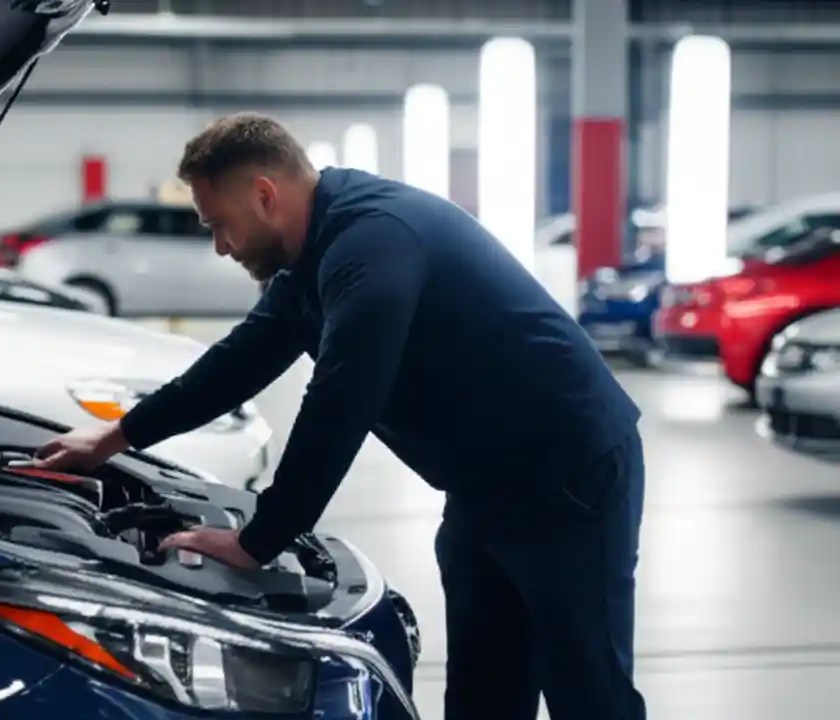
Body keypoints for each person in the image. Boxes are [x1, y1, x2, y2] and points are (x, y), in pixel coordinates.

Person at [32, 112, 647, 720]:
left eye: (220, 225)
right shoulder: (309, 258)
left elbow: (341, 401)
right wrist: (115, 438)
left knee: (589, 694)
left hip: (569, 475)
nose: (220, 246)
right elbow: (236, 362)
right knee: (483, 696)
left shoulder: (372, 242)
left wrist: (259, 539)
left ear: (265, 195)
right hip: (484, 487)